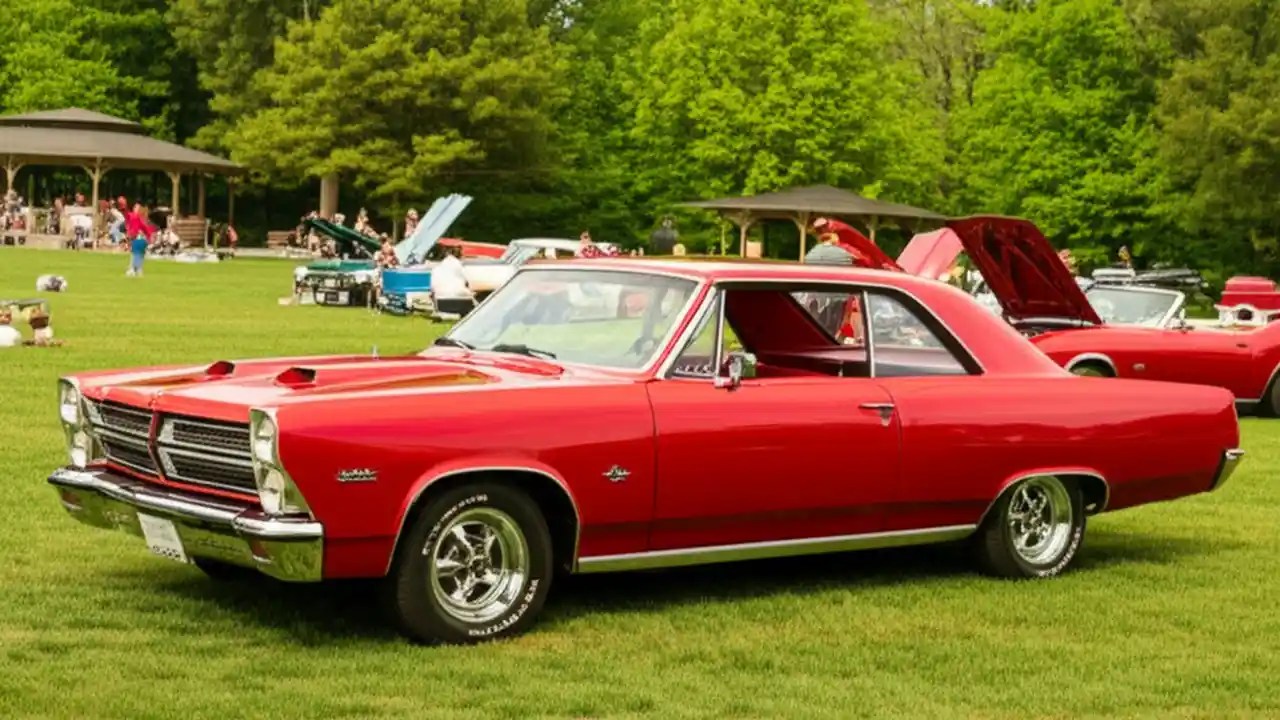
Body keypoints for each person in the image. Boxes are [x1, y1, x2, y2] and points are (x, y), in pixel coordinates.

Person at [125, 203, 156, 276]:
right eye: (135, 207)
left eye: (137, 208)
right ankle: (137, 269)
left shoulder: (136, 217)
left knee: (136, 253)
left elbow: (143, 228)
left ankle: (133, 269)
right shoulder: (135, 217)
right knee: (139, 254)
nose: (136, 209)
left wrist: (148, 235)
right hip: (137, 237)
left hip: (137, 237)